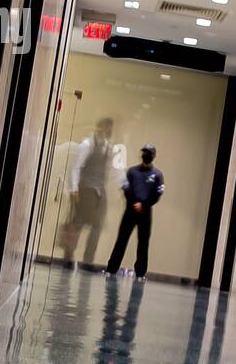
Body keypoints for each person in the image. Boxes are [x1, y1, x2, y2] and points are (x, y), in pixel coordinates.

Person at [105, 144, 164, 281]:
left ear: (153, 156)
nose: (146, 155)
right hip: (130, 211)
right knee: (121, 240)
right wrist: (134, 203)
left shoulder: (157, 175)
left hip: (145, 213)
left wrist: (144, 204)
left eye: (148, 153)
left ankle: (140, 273)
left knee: (143, 243)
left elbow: (157, 194)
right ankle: (111, 269)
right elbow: (126, 188)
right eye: (144, 152)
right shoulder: (131, 172)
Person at [62, 117, 115, 265]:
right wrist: (73, 189)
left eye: (110, 128)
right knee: (78, 223)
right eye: (107, 127)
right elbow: (76, 166)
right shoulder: (87, 144)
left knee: (97, 226)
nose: (109, 131)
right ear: (100, 128)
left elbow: (109, 171)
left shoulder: (108, 148)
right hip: (86, 189)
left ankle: (88, 260)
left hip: (100, 192)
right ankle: (68, 255)